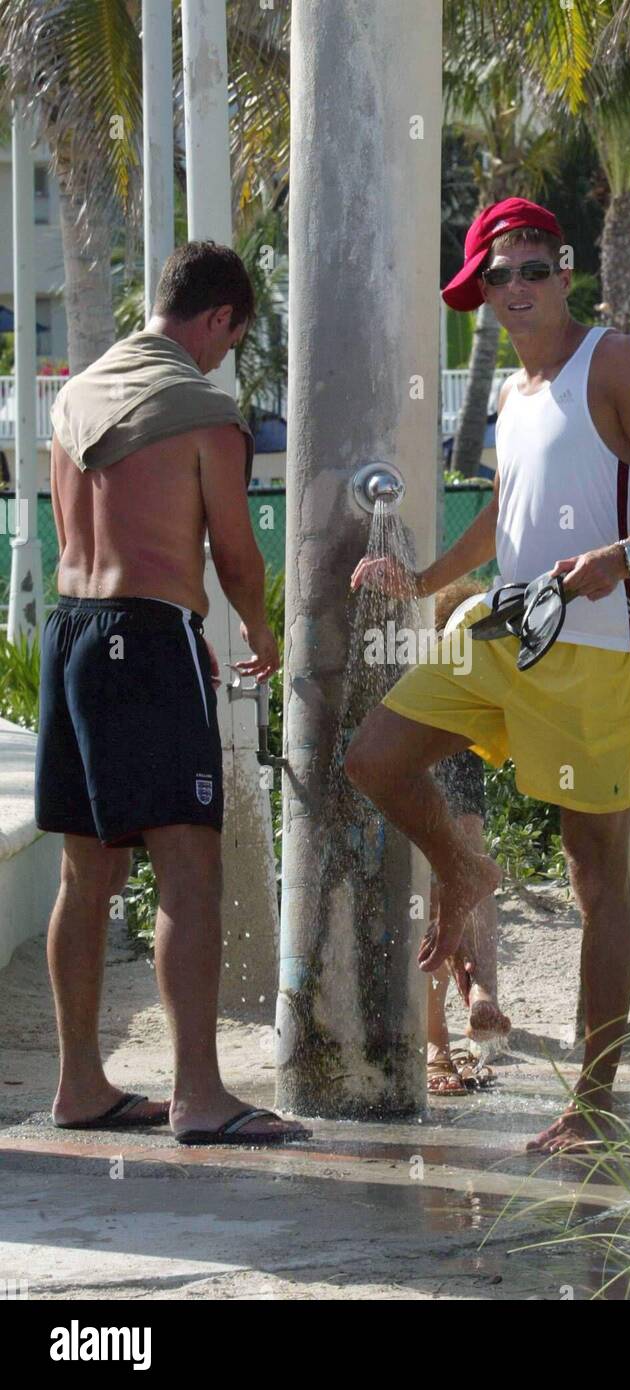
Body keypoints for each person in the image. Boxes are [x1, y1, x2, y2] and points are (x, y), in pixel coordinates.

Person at [346, 197, 630, 1154]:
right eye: (497, 276)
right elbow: (502, 513)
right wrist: (421, 582)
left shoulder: (617, 361)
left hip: (595, 652)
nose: (515, 287)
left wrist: (619, 557)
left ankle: (591, 1104)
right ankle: (465, 865)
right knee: (374, 759)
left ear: (563, 270)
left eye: (530, 268)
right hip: (502, 627)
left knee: (600, 887)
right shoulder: (512, 394)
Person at [36, 241, 310, 1147]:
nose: (221, 358)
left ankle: (79, 1085)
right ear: (220, 318)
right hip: (149, 640)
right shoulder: (201, 410)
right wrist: (266, 636)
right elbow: (234, 552)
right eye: (228, 340)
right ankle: (200, 1095)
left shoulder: (74, 396)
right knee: (188, 869)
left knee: (87, 872)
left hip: (71, 636)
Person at [426, 581, 510, 1096]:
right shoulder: (479, 684)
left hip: (433, 729)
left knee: (439, 885)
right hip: (457, 733)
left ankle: (437, 1041)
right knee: (466, 865)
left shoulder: (429, 668)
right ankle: (475, 994)